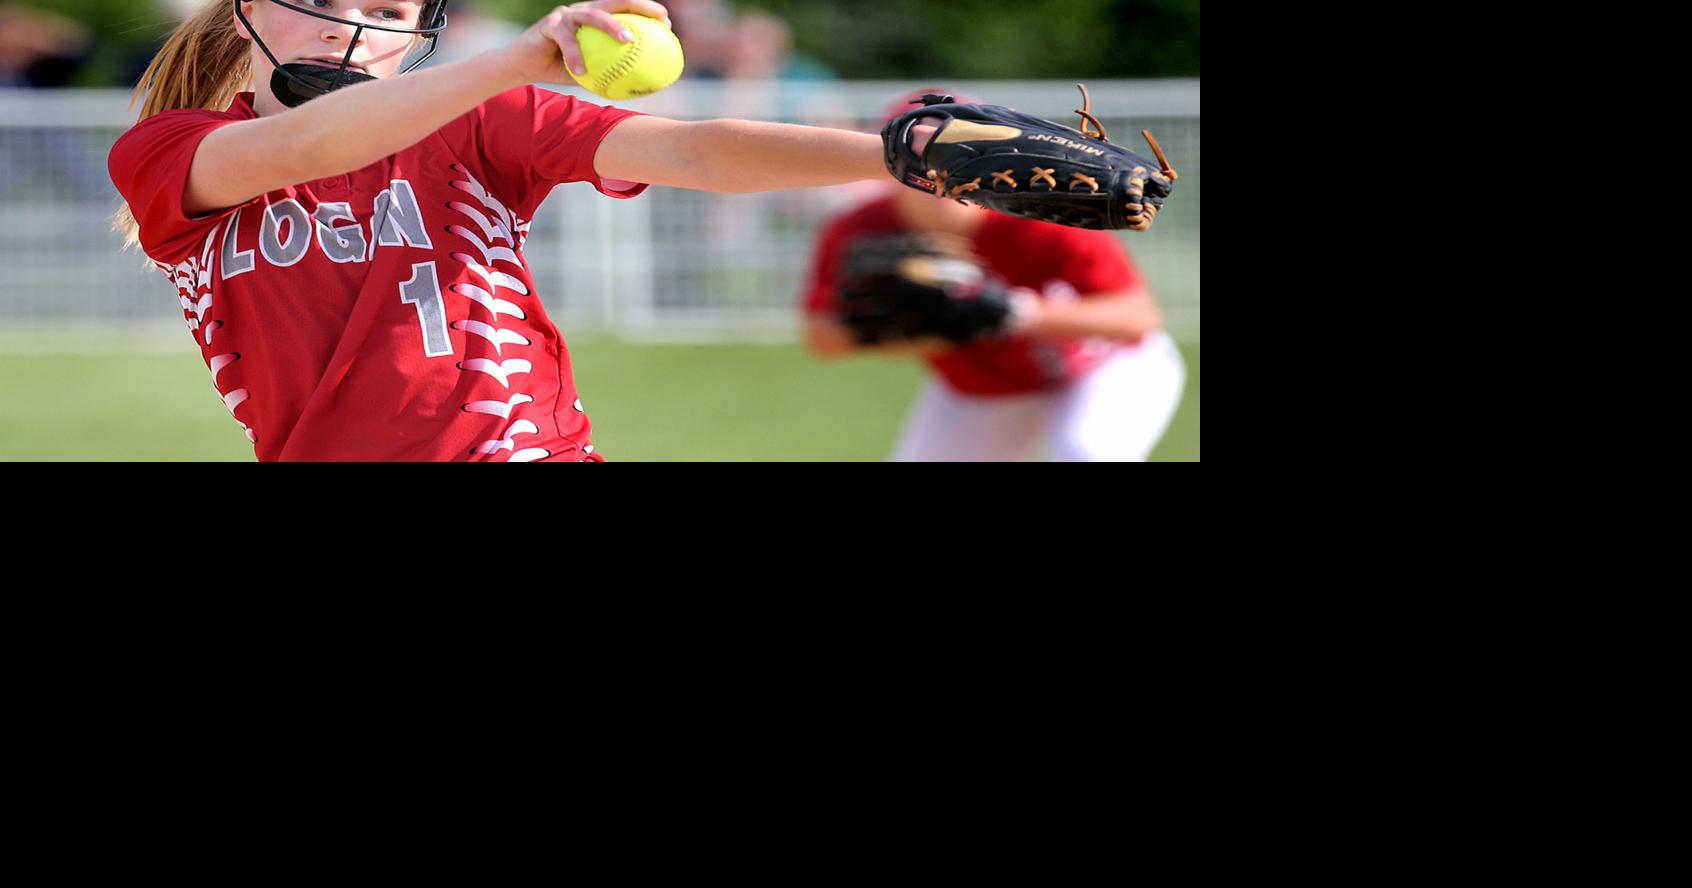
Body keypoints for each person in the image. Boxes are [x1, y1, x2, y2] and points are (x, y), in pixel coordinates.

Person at [108, 0, 912, 461]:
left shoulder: (480, 119)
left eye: (385, 11)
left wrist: (903, 157)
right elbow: (304, 145)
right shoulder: (165, 152)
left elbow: (691, 148)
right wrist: (515, 57)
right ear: (247, 9)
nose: (347, 28)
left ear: (418, 37)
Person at [801, 91, 1186, 462]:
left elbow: (1138, 319)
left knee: (1088, 453)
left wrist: (1010, 311)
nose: (929, 164)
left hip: (1102, 369)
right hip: (985, 387)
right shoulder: (860, 228)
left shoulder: (1041, 212)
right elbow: (823, 335)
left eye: (949, 146)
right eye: (912, 146)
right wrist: (916, 322)